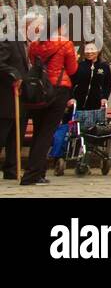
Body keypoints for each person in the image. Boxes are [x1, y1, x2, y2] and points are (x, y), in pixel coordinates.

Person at [22, 13, 78, 185]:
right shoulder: (66, 44)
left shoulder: (35, 45)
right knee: (47, 133)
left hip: (39, 90)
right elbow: (72, 69)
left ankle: (37, 172)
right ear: (59, 28)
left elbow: (34, 63)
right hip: (58, 89)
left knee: (39, 131)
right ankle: (32, 175)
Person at [0, 20, 29, 181]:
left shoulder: (31, 44)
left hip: (23, 98)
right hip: (7, 97)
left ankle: (11, 169)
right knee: (2, 134)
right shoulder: (10, 39)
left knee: (16, 136)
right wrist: (14, 74)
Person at [71, 42, 111, 122]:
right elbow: (71, 83)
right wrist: (71, 97)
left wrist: (104, 97)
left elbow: (107, 84)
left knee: (95, 128)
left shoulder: (104, 67)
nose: (89, 52)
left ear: (98, 51)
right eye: (87, 50)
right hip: (79, 103)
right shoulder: (79, 66)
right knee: (79, 128)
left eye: (92, 49)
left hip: (97, 104)